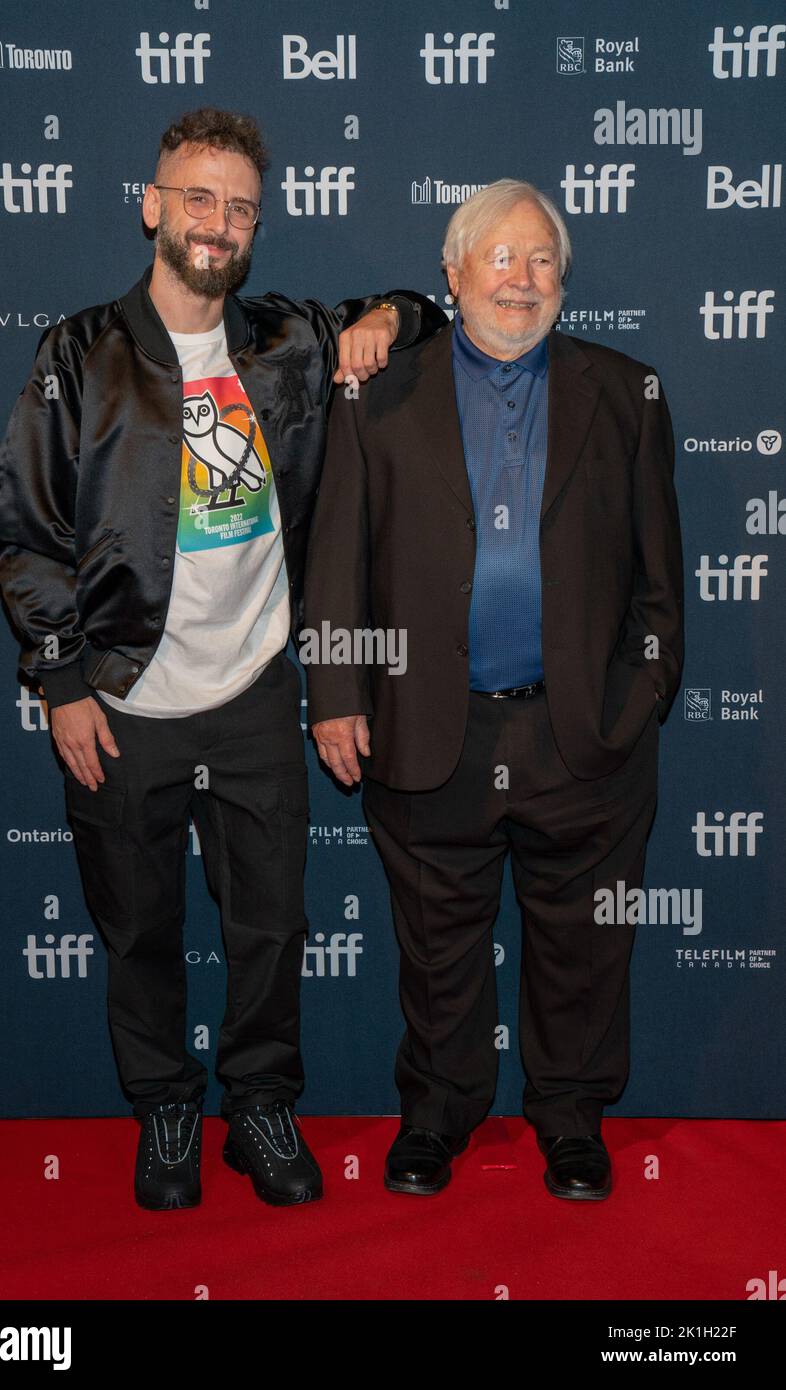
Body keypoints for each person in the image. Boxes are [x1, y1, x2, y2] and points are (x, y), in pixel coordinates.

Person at [0, 105, 445, 1211]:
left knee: (269, 923)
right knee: (138, 926)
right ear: (152, 206)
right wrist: (60, 679)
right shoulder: (79, 352)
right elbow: (22, 527)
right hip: (123, 694)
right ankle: (165, 1108)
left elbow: (424, 313)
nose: (218, 221)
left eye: (240, 206)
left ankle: (259, 1103)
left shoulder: (286, 340)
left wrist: (385, 312)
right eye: (198, 197)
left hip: (251, 694)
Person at [304, 179, 683, 1201]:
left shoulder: (626, 391)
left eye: (541, 259)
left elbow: (661, 578)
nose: (521, 280)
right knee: (435, 947)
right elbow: (335, 550)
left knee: (582, 945)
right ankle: (435, 1112)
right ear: (452, 274)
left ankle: (569, 1117)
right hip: (429, 726)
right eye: (499, 258)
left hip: (581, 737)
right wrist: (335, 690)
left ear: (563, 277)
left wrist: (641, 691)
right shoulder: (376, 393)